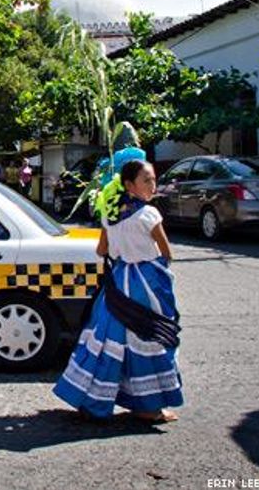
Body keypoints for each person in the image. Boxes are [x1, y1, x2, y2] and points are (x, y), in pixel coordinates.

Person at [53, 159, 183, 424]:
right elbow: (167, 252)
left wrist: (121, 245)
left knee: (107, 341)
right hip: (147, 284)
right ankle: (148, 407)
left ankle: (91, 401)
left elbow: (101, 251)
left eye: (153, 179)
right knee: (150, 339)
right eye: (147, 180)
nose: (152, 185)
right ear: (129, 184)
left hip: (118, 283)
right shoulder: (149, 215)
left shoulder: (109, 216)